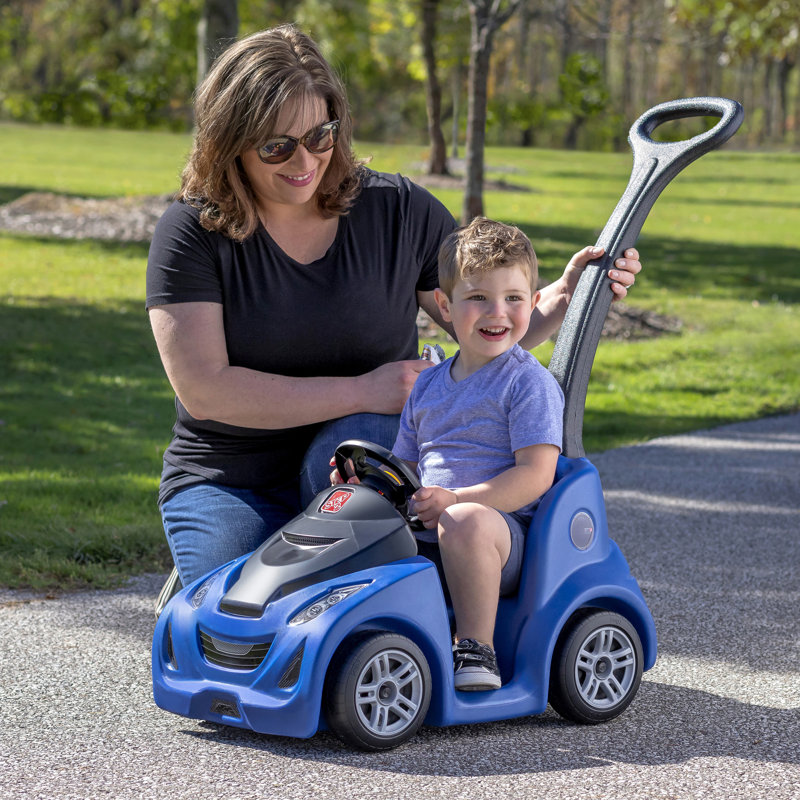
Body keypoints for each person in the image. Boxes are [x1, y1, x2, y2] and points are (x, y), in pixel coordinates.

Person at [145, 24, 641, 590]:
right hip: (232, 477)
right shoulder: (191, 232)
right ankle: (212, 568)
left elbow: (483, 329)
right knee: (232, 615)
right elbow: (206, 390)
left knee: (350, 600)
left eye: (321, 135)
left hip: (355, 458)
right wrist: (364, 389)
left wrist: (564, 296)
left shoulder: (396, 211)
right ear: (231, 141)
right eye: (276, 145)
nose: (304, 159)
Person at [338, 218, 563, 691]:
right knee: (346, 518)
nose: (496, 311)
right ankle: (351, 640)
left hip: (504, 538)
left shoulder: (527, 383)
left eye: (513, 298)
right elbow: (408, 467)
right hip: (432, 526)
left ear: (534, 302)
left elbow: (536, 476)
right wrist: (366, 486)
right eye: (478, 297)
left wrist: (456, 499)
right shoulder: (428, 385)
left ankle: (476, 647)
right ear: (445, 304)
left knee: (463, 521)